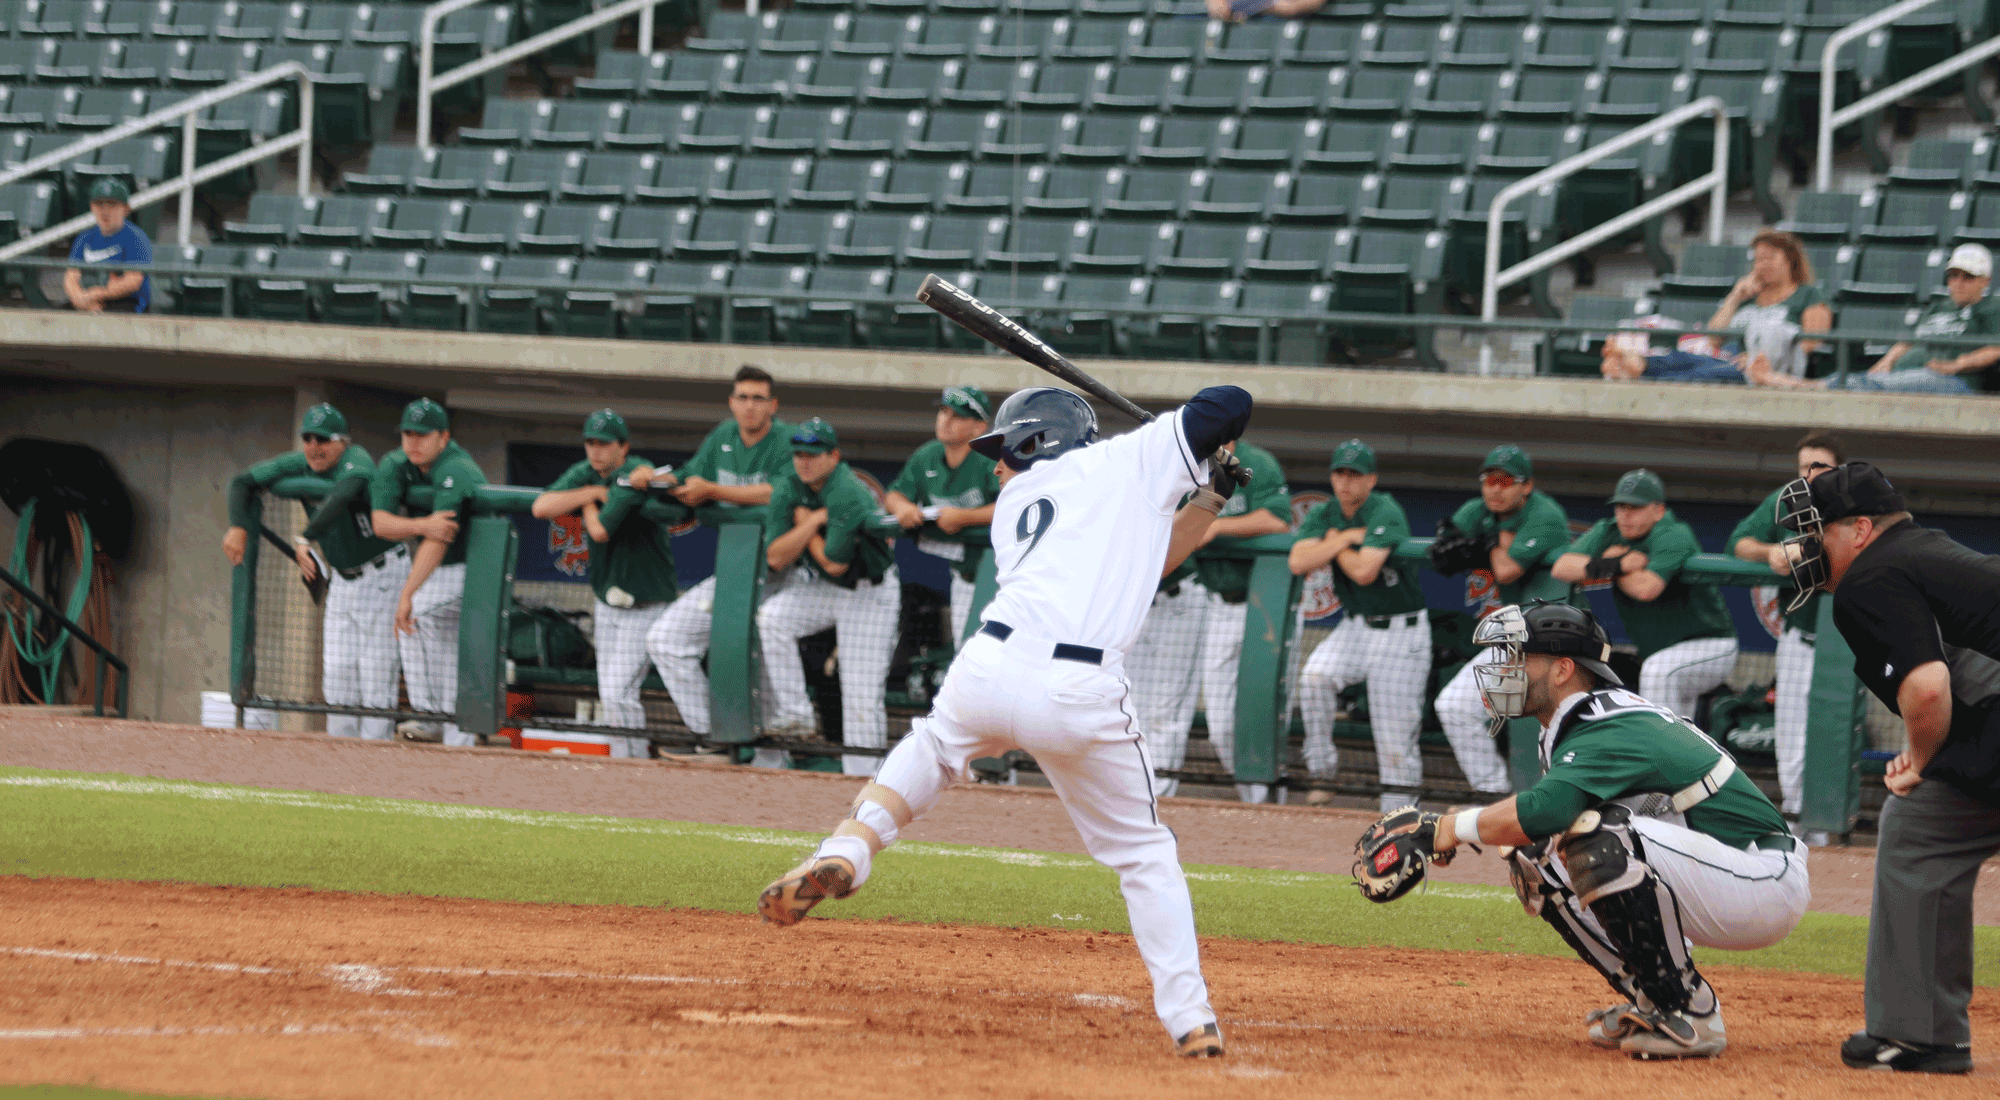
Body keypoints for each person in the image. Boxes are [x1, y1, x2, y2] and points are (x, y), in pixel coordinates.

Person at [756, 385, 1253, 1061]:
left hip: (989, 665)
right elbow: (1231, 401)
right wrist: (1182, 440)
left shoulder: (1028, 501)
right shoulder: (1124, 461)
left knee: (931, 747)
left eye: (1004, 449)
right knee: (1143, 853)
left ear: (1038, 443)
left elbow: (1147, 560)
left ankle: (849, 848)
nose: (994, 466)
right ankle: (1190, 1019)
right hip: (1080, 687)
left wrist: (1208, 492)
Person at [1358, 603, 1803, 1060]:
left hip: (1761, 877)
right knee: (1533, 852)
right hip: (1715, 873)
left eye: (1518, 657)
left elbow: (1548, 807)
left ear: (1562, 670)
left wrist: (1447, 829)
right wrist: (1468, 828)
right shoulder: (1582, 720)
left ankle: (1694, 1013)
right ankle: (1658, 998)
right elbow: (1537, 823)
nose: (1505, 669)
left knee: (1594, 835)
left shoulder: (1604, 719)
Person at [1777, 461, 2000, 1074]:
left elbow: (1928, 687)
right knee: (1925, 830)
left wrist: (1922, 759)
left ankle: (1922, 1035)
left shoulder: (1870, 575)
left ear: (1861, 528)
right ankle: (1920, 1032)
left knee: (1919, 833)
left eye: (1817, 530)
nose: (1805, 546)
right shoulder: (1923, 551)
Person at [223, 403, 408, 740]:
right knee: (337, 670)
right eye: (307, 438)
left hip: (383, 574)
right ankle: (340, 752)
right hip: (344, 579)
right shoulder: (300, 462)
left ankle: (377, 754)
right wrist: (238, 526)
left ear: (342, 442)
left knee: (376, 670)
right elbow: (242, 481)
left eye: (322, 439)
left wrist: (305, 537)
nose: (313, 446)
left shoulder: (357, 459)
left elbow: (344, 494)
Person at [643, 366, 796, 742]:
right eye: (742, 397)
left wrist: (712, 490)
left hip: (787, 573)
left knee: (762, 668)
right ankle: (713, 735)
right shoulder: (722, 436)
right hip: (736, 571)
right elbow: (691, 477)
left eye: (758, 399)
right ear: (731, 402)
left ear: (773, 405)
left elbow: (781, 492)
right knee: (665, 640)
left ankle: (778, 763)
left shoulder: (789, 440)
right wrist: (657, 479)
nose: (749, 406)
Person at [531, 409, 687, 758]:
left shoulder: (635, 470)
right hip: (607, 600)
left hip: (646, 602)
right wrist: (589, 492)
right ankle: (626, 760)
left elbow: (600, 529)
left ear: (623, 447)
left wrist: (587, 504)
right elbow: (541, 507)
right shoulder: (584, 473)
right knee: (611, 692)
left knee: (618, 692)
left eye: (604, 444)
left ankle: (633, 761)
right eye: (590, 443)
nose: (596, 451)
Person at [755, 417, 901, 775]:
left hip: (870, 592)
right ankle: (796, 713)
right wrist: (811, 521)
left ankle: (865, 780)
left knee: (860, 690)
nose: (804, 461)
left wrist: (806, 527)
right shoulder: (789, 484)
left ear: (833, 456)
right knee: (773, 617)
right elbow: (775, 557)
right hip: (827, 590)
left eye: (813, 454)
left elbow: (834, 563)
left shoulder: (847, 491)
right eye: (799, 453)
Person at [1429, 445, 1575, 798]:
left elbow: (1507, 570)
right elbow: (1443, 548)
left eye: (1506, 481)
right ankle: (1493, 795)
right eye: (1489, 481)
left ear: (1526, 486)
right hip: (1518, 637)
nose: (1495, 489)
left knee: (1563, 732)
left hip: (1565, 638)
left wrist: (1487, 544)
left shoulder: (1545, 514)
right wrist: (1481, 542)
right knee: (1453, 706)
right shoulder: (1480, 510)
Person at [1292, 440, 1431, 812]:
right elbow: (1297, 560)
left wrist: (1333, 545)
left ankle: (1398, 815)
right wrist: (1344, 539)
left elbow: (1364, 571)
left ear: (1371, 480)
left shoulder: (1385, 509)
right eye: (1340, 473)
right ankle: (1322, 772)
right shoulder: (1326, 513)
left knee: (1395, 736)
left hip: (1401, 632)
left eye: (1354, 475)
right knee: (1315, 678)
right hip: (1356, 628)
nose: (1345, 482)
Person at [1553, 469, 1737, 723]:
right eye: (1620, 507)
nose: (1625, 515)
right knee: (1681, 720)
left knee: (1657, 672)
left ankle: (1657, 756)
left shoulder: (1673, 534)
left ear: (1658, 511)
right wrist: (1616, 565)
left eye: (1635, 508)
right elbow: (1562, 567)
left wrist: (1609, 566)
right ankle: (1685, 758)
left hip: (1709, 645)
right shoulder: (1609, 530)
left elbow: (1646, 589)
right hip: (1664, 651)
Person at [1728, 432, 1843, 828]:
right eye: (1803, 468)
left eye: (1821, 467)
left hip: (1844, 645)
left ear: (1838, 469)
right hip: (1798, 637)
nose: (1811, 476)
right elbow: (1737, 543)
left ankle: (1828, 824)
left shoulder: (1855, 499)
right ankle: (1796, 820)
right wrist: (1770, 552)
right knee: (1791, 733)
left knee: (1833, 736)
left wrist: (1806, 548)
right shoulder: (1786, 499)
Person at [370, 397, 487, 747]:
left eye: (422, 435)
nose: (413, 442)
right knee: (443, 652)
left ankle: (430, 715)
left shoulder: (458, 467)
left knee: (415, 616)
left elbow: (440, 540)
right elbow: (380, 524)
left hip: (478, 567)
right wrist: (422, 524)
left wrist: (406, 595)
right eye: (408, 434)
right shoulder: (396, 463)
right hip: (441, 569)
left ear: (443, 437)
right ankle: (456, 739)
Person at [1189, 437, 1291, 803]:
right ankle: (1254, 801)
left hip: (1264, 605)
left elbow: (1278, 519)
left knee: (1263, 712)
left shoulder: (1256, 463)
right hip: (1218, 603)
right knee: (1219, 727)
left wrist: (1217, 527)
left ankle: (1270, 802)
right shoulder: (1191, 464)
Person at [1754, 243, 2000, 395]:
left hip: (1953, 381)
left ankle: (1795, 385)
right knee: (1872, 379)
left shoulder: (1991, 306)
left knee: (1872, 385)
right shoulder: (1939, 306)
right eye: (1953, 275)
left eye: (1967, 277)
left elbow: (1996, 347)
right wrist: (1887, 361)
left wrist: (1958, 364)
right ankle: (1801, 385)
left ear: (1985, 280)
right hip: (1910, 373)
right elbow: (1909, 340)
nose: (1958, 282)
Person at [1602, 229, 1829, 385]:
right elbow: (1713, 338)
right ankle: (1637, 363)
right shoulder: (1751, 298)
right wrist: (1735, 296)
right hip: (1731, 360)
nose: (1762, 265)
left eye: (1769, 258)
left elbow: (1812, 343)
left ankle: (1633, 372)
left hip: (1765, 370)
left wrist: (1758, 358)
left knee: (1698, 375)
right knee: (1681, 358)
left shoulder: (1807, 295)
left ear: (1790, 260)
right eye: (1758, 259)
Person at [883, 386, 1000, 651]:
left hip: (1000, 573)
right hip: (965, 575)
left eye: (957, 416)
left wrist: (964, 517)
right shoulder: (928, 455)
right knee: (966, 650)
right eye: (943, 412)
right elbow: (894, 495)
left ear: (979, 427)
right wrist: (903, 508)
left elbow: (1012, 505)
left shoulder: (989, 457)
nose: (945, 420)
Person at [62, 177, 151, 314]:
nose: (105, 210)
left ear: (126, 209)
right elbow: (71, 277)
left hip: (125, 302)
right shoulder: (84, 238)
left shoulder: (136, 238)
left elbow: (133, 280)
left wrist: (96, 294)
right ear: (91, 207)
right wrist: (79, 299)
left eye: (112, 204)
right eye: (99, 204)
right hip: (87, 299)